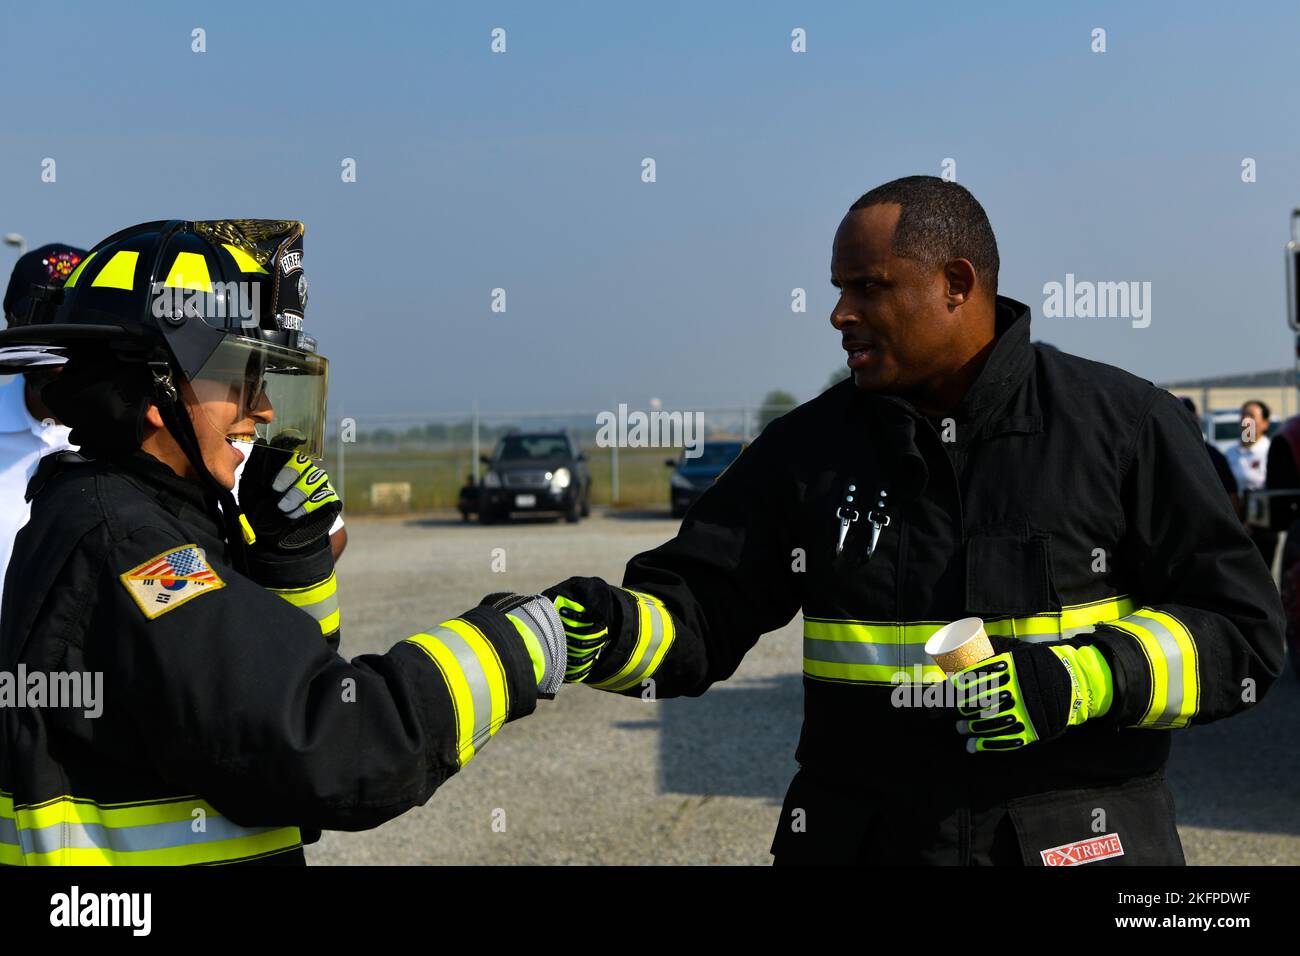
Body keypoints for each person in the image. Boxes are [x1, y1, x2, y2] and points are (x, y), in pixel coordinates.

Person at [534, 177, 1285, 865]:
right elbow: (703, 605)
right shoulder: (809, 451)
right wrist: (615, 631)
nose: (839, 314)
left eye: (869, 287)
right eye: (838, 289)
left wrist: (1085, 678)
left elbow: (1242, 632)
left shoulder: (1120, 427)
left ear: (957, 284)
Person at [0, 219, 564, 865]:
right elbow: (331, 745)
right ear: (158, 390)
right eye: (243, 377)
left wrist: (290, 561)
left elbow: (267, 688)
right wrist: (514, 644)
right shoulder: (132, 548)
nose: (263, 409)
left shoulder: (142, 513)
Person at [0, 245, 85, 598]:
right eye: (43, 328)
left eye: (76, 332)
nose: (56, 355)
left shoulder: (144, 446)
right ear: (12, 326)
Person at [1179, 396, 1238, 512]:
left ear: (1196, 418)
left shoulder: (1213, 455)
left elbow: (1231, 494)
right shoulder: (1161, 451)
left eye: (1185, 416)